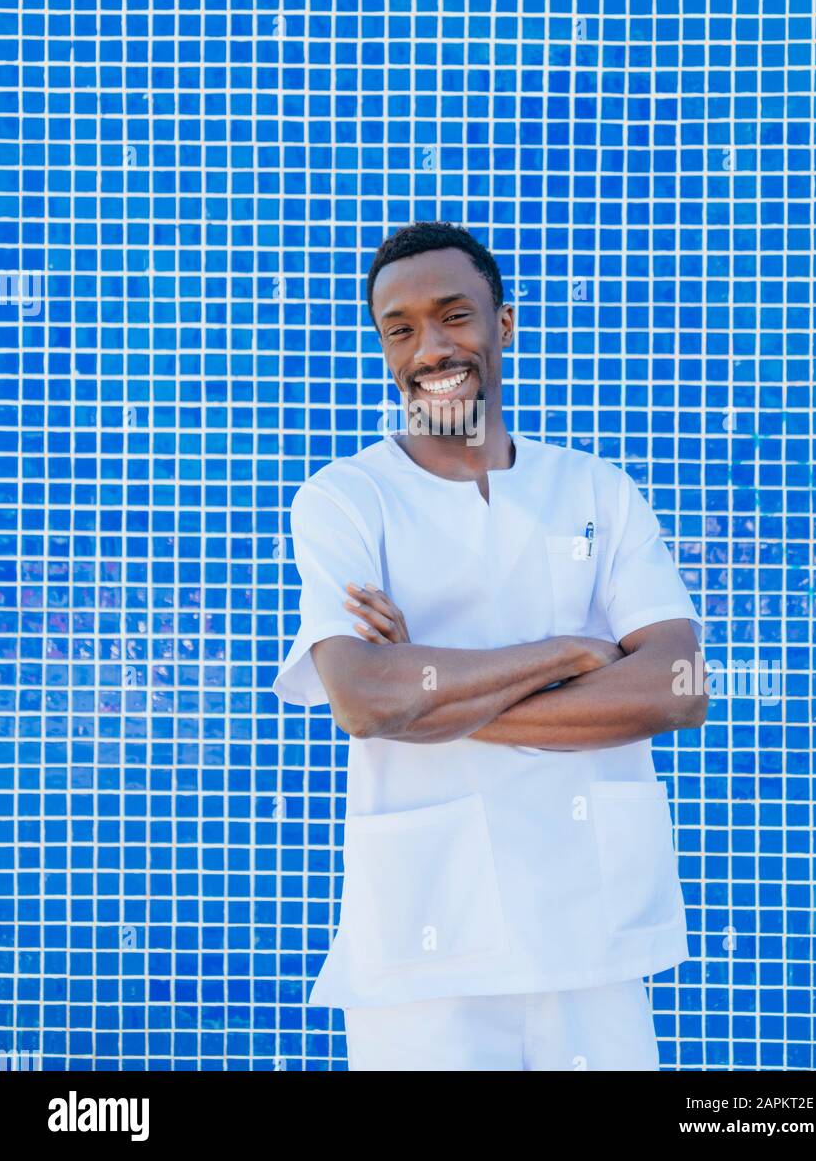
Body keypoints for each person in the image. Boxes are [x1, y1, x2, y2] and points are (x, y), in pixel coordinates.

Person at [274, 220, 706, 1071]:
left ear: (502, 324)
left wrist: (429, 700)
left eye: (453, 316)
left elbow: (680, 685)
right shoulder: (345, 500)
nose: (430, 348)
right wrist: (573, 653)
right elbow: (364, 698)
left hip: (591, 934)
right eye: (399, 329)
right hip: (424, 947)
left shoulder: (597, 491)